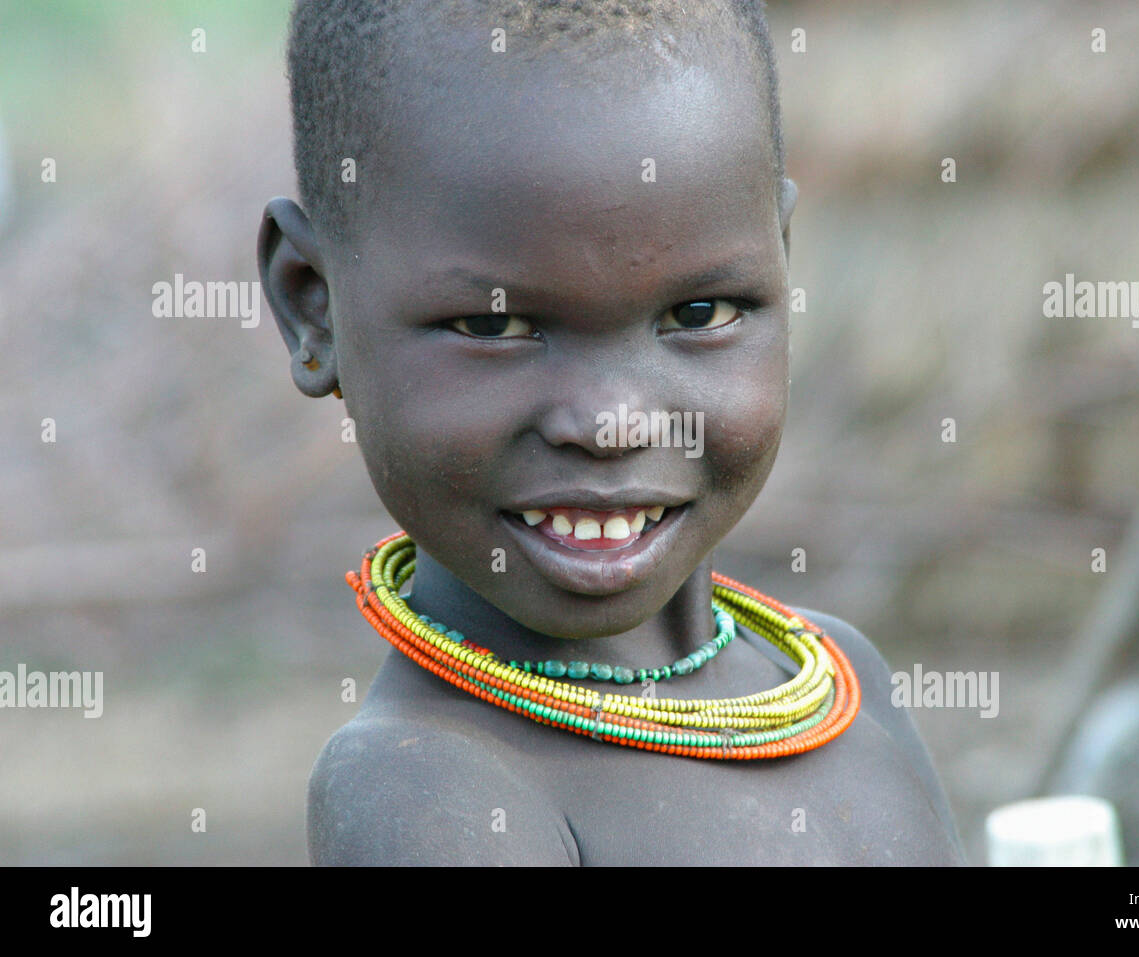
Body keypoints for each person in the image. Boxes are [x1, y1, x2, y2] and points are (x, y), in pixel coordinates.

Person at [258, 0, 964, 865]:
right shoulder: (428, 789)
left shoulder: (840, 685)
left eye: (699, 313)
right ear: (312, 306)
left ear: (782, 261)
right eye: (495, 327)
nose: (611, 423)